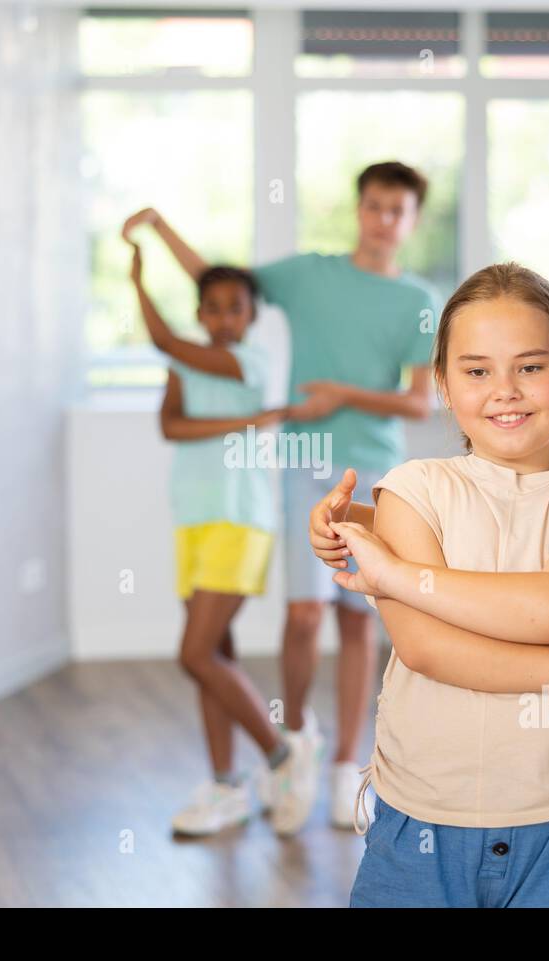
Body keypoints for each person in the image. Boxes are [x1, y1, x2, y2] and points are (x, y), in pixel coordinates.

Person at [310, 262, 549, 906]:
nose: (504, 390)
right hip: (419, 823)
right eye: (477, 370)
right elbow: (431, 651)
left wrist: (397, 574)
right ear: (444, 386)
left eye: (531, 367)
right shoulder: (413, 489)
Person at [122, 161, 443, 832]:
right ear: (359, 209)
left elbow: (419, 399)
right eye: (375, 206)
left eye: (398, 210)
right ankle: (296, 740)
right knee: (303, 615)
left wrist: (344, 394)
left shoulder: (417, 298)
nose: (384, 219)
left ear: (411, 221)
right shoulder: (310, 275)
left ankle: (345, 767)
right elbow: (219, 283)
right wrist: (157, 228)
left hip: (375, 467)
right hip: (306, 459)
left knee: (358, 622)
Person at [128, 235, 307, 835]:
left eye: (237, 307)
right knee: (215, 658)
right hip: (195, 518)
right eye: (215, 307)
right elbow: (171, 426)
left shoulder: (250, 362)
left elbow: (162, 339)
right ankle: (228, 786)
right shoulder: (185, 361)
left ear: (252, 316)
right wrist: (250, 420)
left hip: (240, 517)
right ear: (201, 313)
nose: (226, 317)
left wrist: (136, 282)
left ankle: (283, 757)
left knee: (194, 653)